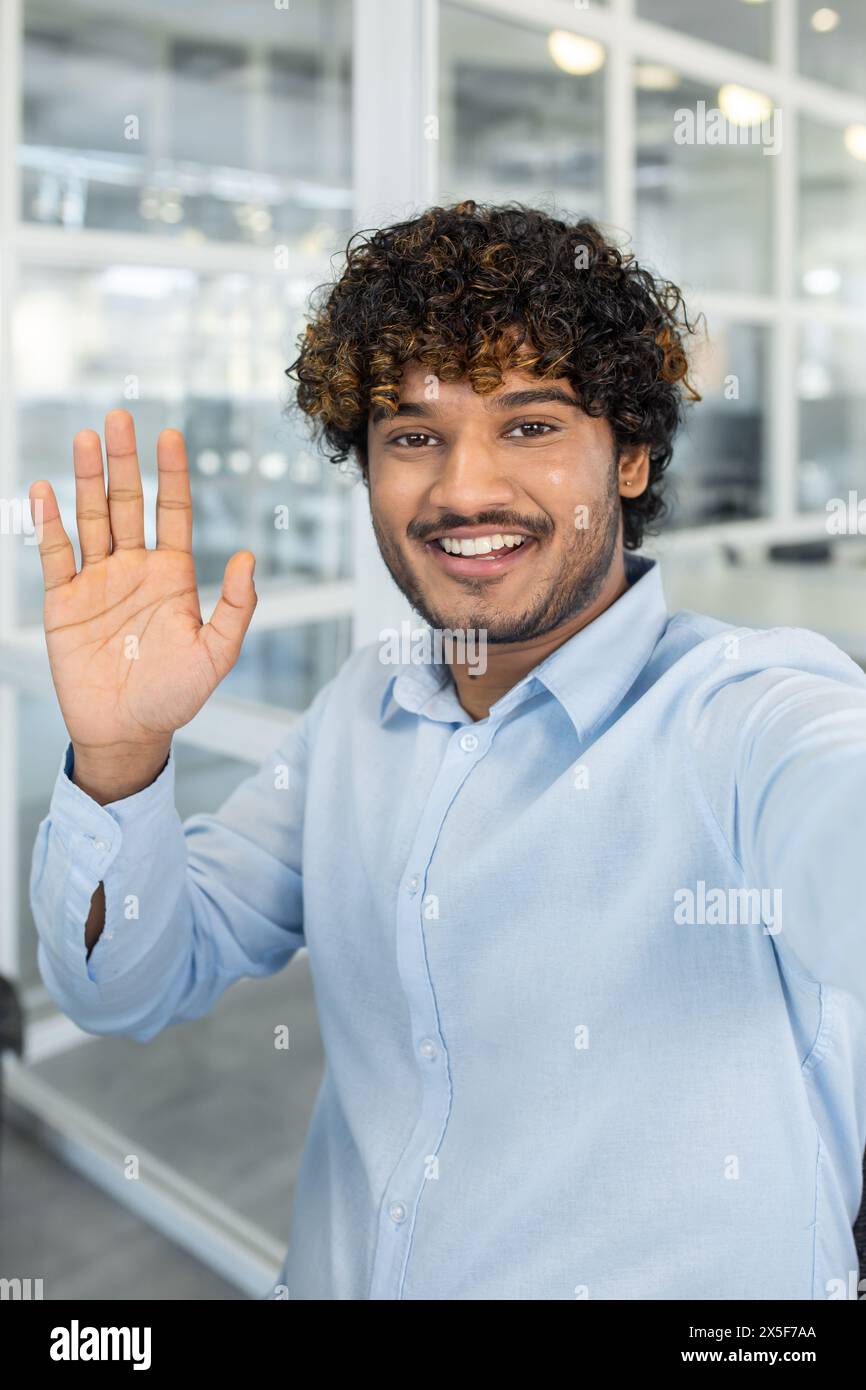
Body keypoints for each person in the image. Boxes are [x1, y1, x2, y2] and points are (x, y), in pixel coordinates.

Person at [29, 200, 866, 1301]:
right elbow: (125, 988)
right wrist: (122, 753)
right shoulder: (360, 713)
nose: (465, 488)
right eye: (412, 435)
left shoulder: (747, 709)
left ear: (629, 456)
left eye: (531, 425)